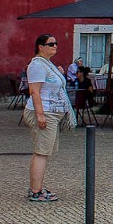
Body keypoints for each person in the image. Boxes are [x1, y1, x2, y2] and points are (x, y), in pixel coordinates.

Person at [23, 34, 70, 201]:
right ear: (40, 47)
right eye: (51, 44)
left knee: (45, 152)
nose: (55, 46)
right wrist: (40, 115)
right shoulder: (36, 65)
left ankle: (38, 187)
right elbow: (34, 91)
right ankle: (36, 191)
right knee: (41, 152)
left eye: (56, 44)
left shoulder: (47, 64)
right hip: (45, 113)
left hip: (51, 113)